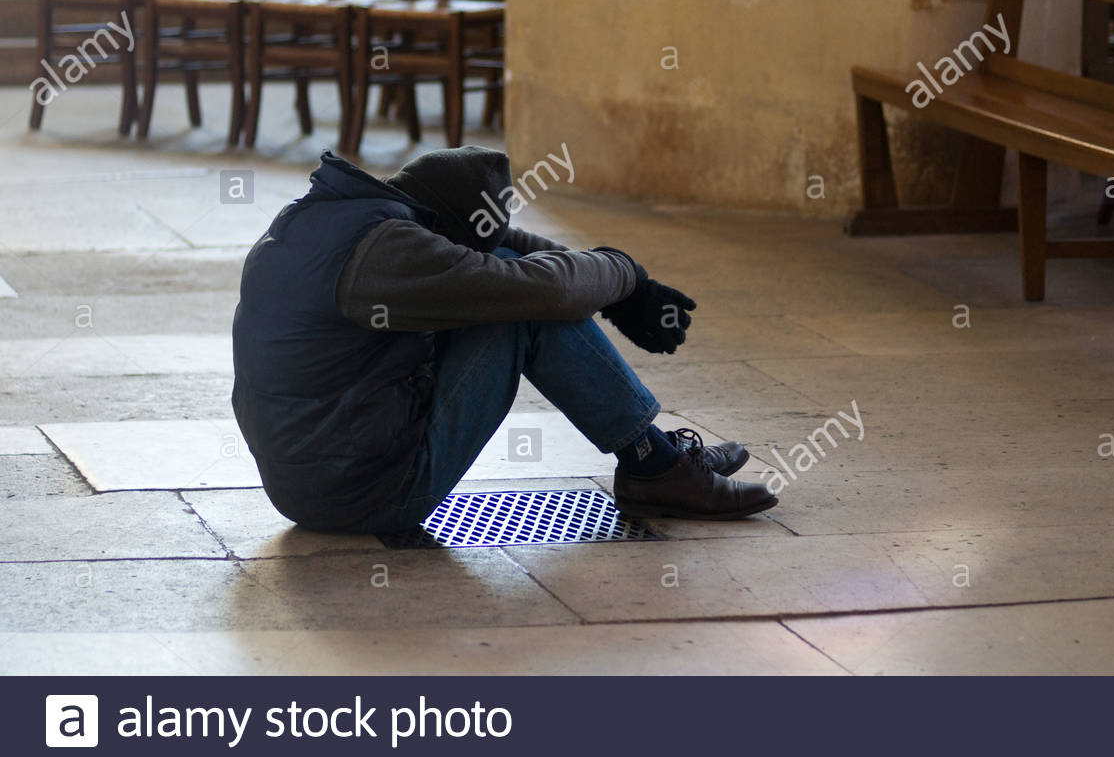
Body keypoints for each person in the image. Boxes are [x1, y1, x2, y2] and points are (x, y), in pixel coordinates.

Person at [231, 146, 776, 533]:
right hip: (366, 494)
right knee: (521, 305)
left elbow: (506, 246)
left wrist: (622, 289)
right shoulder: (392, 253)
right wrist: (627, 275)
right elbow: (537, 285)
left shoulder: (342, 218)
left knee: (514, 279)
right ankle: (654, 467)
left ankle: (652, 459)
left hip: (312, 478)